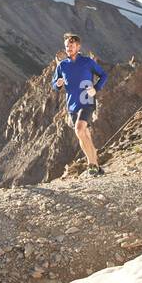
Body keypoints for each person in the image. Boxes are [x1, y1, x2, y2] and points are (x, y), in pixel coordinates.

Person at [51, 32, 108, 176]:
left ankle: (91, 164)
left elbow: (104, 75)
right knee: (84, 134)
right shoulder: (62, 65)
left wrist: (96, 88)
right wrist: (58, 84)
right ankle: (96, 165)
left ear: (78, 47)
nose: (68, 48)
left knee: (79, 129)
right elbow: (54, 84)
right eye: (66, 46)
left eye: (71, 46)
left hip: (86, 101)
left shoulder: (87, 62)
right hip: (72, 105)